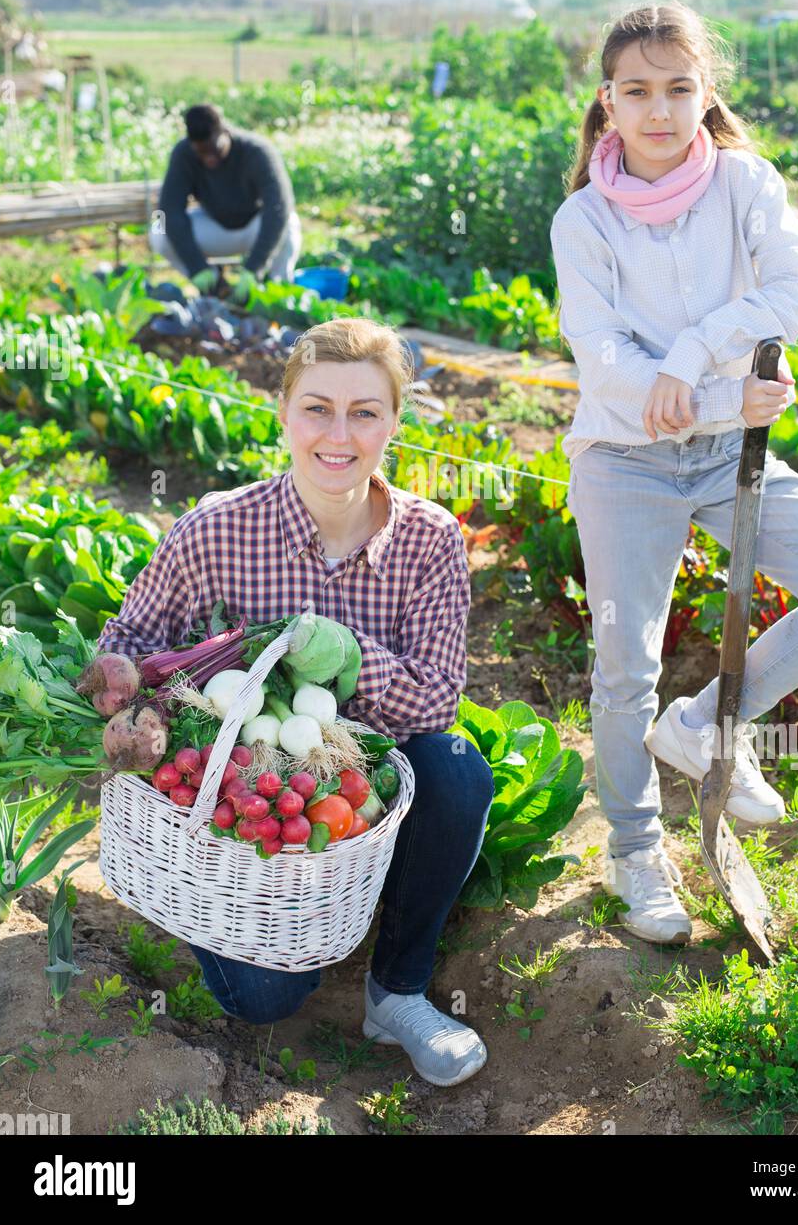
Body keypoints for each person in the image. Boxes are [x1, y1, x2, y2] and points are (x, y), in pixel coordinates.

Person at [550, 2, 798, 947]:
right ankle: (634, 850)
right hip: (623, 463)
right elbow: (607, 368)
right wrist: (711, 395)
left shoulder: (743, 184)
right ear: (607, 104)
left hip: (725, 457)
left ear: (705, 96)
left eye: (677, 88)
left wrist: (698, 350)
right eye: (636, 92)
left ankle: (703, 726)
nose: (658, 111)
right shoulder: (583, 221)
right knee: (624, 668)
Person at [96, 317, 493, 1087]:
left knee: (455, 768)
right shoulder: (215, 529)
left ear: (394, 424)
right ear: (282, 415)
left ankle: (397, 992)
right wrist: (136, 698)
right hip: (242, 794)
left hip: (355, 782)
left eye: (364, 412)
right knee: (266, 999)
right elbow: (129, 637)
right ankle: (229, 906)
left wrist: (347, 652)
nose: (337, 434)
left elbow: (437, 699)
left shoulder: (430, 541)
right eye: (316, 407)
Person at [151, 103, 302, 296]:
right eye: (201, 153)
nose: (209, 159)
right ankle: (214, 285)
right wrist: (196, 265)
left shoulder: (257, 152)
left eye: (214, 150)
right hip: (215, 228)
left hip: (253, 228)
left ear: (224, 131)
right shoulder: (183, 154)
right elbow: (168, 211)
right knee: (159, 232)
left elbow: (278, 208)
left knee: (288, 223)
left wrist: (254, 268)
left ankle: (275, 292)